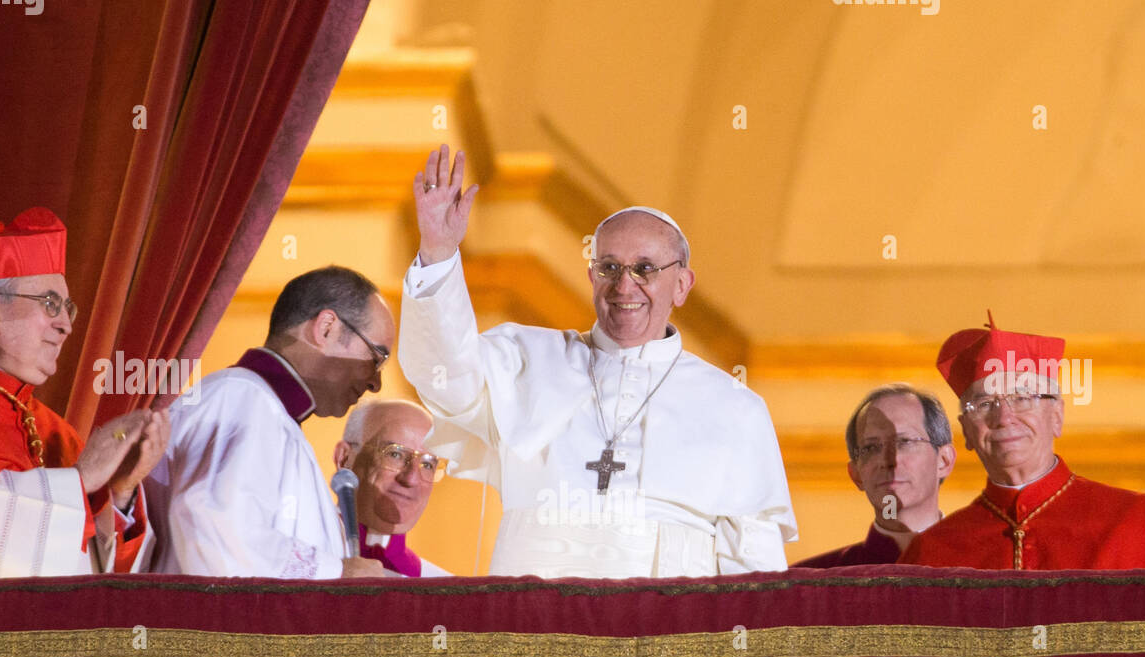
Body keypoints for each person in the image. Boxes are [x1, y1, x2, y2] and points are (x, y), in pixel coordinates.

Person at [397, 145, 797, 578]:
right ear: (591, 277)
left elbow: (756, 566)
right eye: (609, 267)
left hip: (671, 632)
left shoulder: (736, 407)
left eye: (645, 269)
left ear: (681, 285)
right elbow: (443, 375)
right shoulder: (526, 360)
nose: (624, 286)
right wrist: (437, 254)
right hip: (537, 624)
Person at [0, 206, 166, 577]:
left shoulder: (57, 431)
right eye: (49, 304)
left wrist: (120, 494)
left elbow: (93, 579)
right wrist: (80, 481)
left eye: (67, 308)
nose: (65, 326)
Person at [146, 266, 393, 577]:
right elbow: (215, 528)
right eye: (376, 357)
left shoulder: (267, 409)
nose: (375, 384)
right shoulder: (240, 397)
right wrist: (338, 572)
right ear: (327, 328)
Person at [899, 315, 1145, 570]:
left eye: (1022, 398)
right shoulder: (931, 553)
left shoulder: (1132, 521)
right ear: (966, 431)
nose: (1004, 418)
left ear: (1057, 415)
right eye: (985, 403)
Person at [795, 384, 955, 567]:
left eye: (905, 442)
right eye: (871, 448)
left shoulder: (989, 571)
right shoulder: (813, 582)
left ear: (944, 460)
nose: (889, 461)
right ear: (856, 474)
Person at [333, 397, 449, 576]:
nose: (411, 479)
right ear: (345, 458)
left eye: (427, 465)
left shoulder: (442, 589)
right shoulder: (299, 555)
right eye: (395, 454)